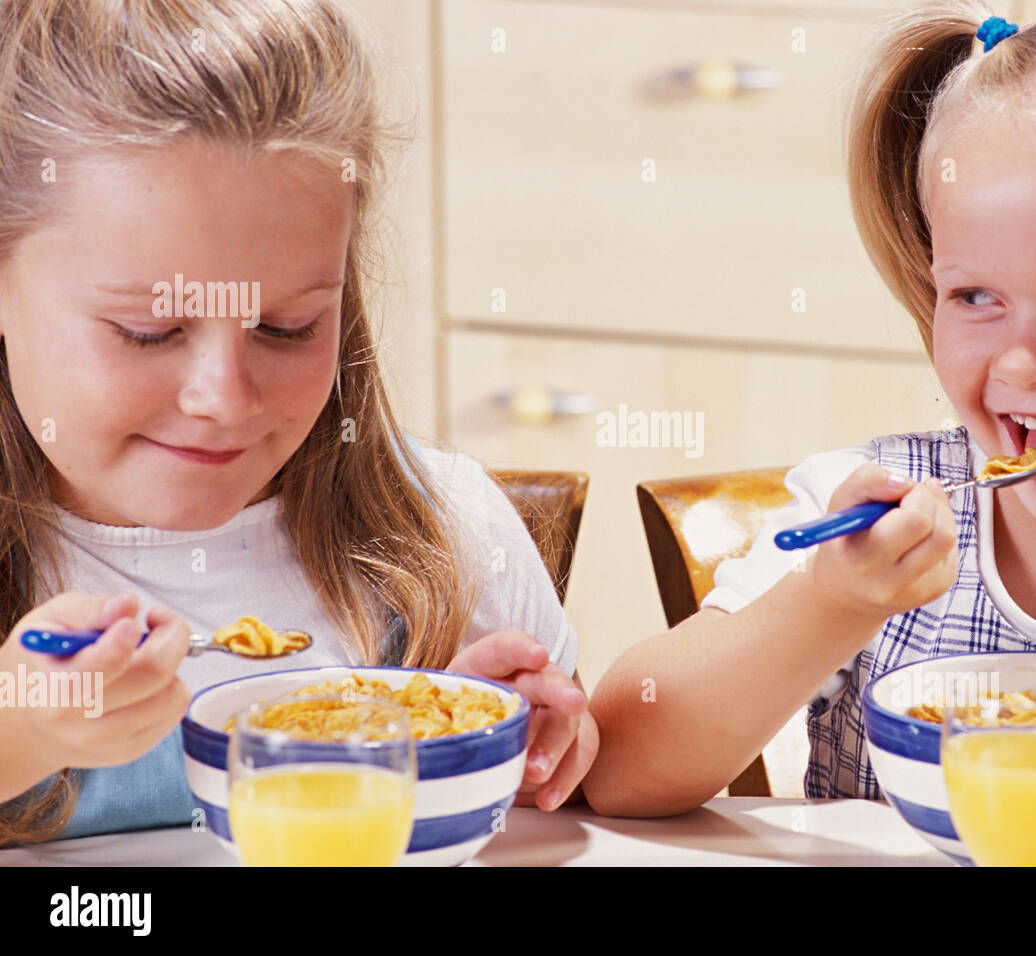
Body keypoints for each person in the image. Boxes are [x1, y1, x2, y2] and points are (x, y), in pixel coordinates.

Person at [585, 0, 1036, 865]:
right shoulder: (860, 511)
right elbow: (619, 769)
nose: (1025, 360)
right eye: (974, 296)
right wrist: (831, 604)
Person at [0, 0, 596, 847]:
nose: (224, 396)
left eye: (287, 328)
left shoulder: (443, 536)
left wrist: (460, 758)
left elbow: (575, 819)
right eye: (149, 331)